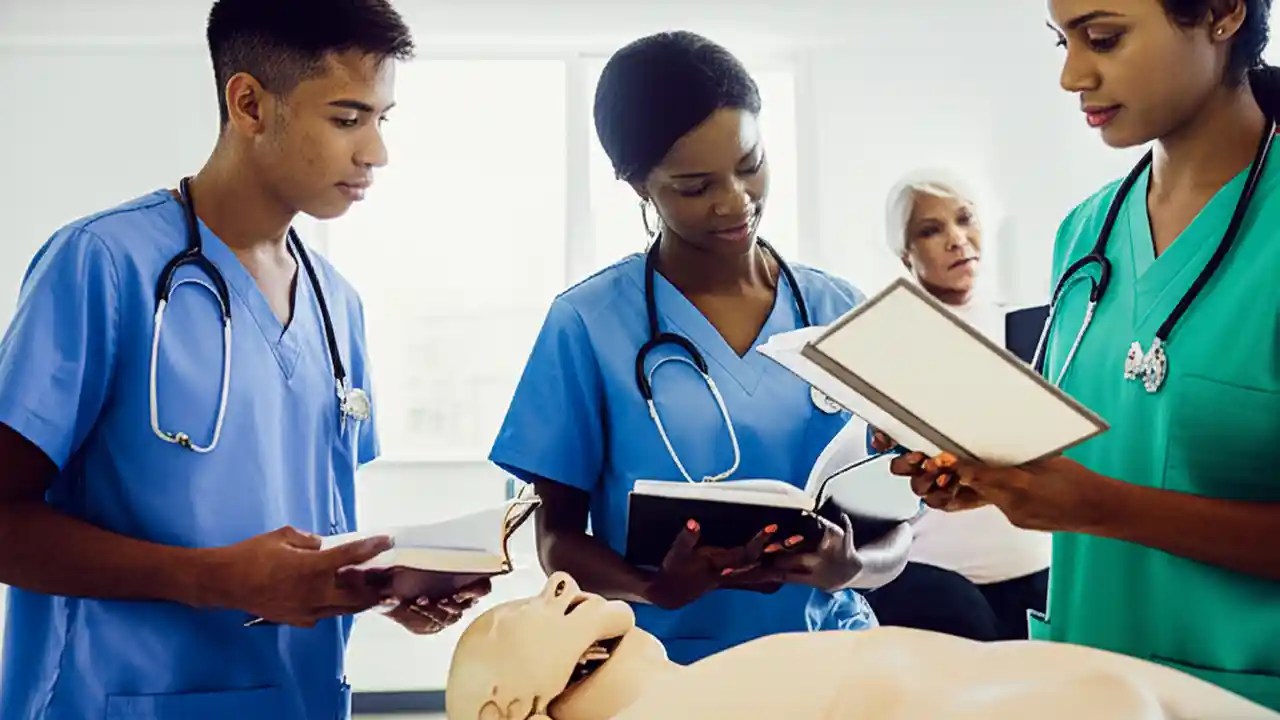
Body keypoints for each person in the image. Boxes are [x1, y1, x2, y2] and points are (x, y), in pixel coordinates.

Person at [0, 2, 487, 718]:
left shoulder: (337, 307)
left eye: (383, 120)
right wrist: (213, 580)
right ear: (251, 103)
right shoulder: (103, 265)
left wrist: (377, 588)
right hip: (116, 699)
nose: (375, 153)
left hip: (299, 698)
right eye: (348, 119)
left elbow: (295, 527)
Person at [889, 0, 1280, 709]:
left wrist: (1101, 508)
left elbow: (1104, 499)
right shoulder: (1085, 236)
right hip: (1085, 681)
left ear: (1222, 14)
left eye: (1103, 38)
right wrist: (996, 477)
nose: (1072, 75)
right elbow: (1103, 453)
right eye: (1061, 41)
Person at [489, 31, 911, 666]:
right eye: (693, 186)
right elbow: (556, 541)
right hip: (658, 672)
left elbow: (896, 529)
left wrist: (847, 565)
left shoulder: (840, 310)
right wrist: (651, 587)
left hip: (832, 663)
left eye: (750, 164)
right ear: (638, 185)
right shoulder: (587, 324)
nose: (735, 202)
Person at [443, 572, 1278, 720]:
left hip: (1066, 684)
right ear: (503, 711)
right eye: (513, 620)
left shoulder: (686, 690)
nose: (553, 588)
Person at [863, 169, 1051, 641]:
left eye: (965, 219)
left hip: (1038, 568)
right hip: (939, 581)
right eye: (931, 230)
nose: (956, 239)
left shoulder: (1033, 328)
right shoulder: (889, 339)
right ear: (905, 253)